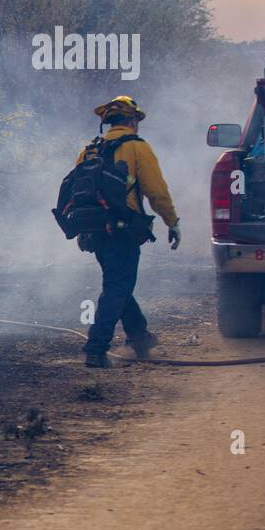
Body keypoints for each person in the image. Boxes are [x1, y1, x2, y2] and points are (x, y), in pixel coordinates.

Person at [77, 96, 180, 367]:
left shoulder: (90, 150)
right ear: (133, 120)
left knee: (118, 283)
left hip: (94, 231)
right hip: (123, 230)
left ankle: (139, 336)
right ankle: (96, 348)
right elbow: (156, 193)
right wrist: (172, 222)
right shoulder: (137, 148)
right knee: (118, 286)